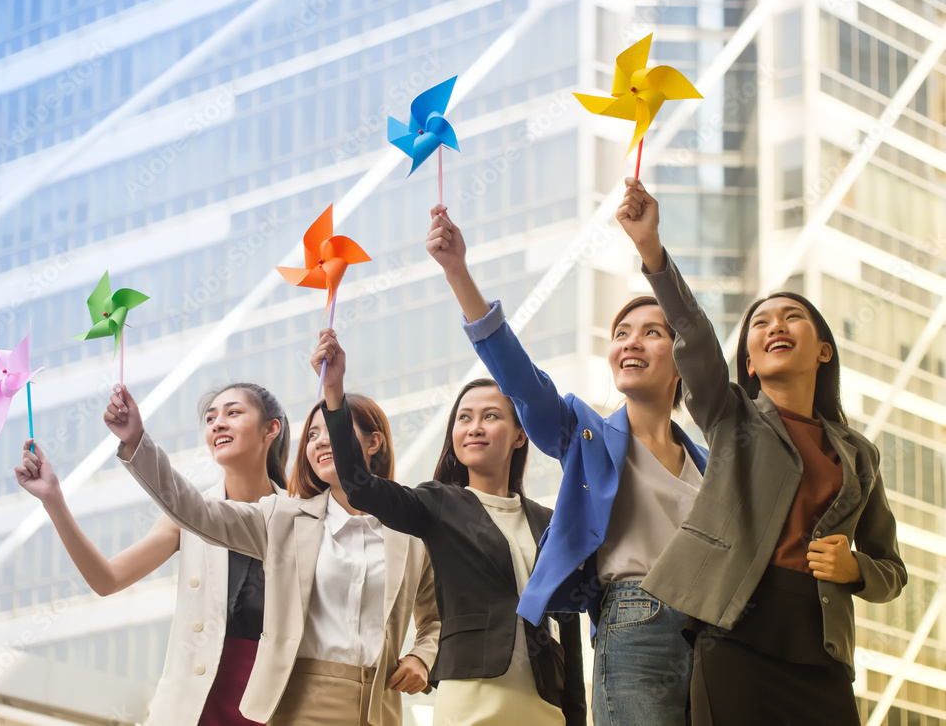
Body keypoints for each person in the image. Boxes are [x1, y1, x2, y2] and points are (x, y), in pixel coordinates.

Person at [617, 176, 907, 726]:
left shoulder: (859, 455)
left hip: (822, 650)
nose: (776, 326)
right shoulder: (731, 416)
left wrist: (855, 568)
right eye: (760, 323)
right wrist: (650, 248)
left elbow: (892, 569)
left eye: (792, 317)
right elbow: (695, 338)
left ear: (823, 350)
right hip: (735, 634)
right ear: (748, 362)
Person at [425, 205, 708, 724]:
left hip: (710, 634)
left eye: (653, 332)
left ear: (681, 355)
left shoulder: (709, 464)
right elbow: (518, 375)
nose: (631, 342)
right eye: (621, 333)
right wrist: (457, 273)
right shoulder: (585, 434)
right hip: (635, 625)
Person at [105, 383, 439, 726]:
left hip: (380, 710)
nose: (321, 441)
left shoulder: (411, 535)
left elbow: (437, 618)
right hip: (300, 705)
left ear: (374, 442)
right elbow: (196, 511)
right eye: (312, 435)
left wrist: (422, 658)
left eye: (334, 431)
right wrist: (136, 442)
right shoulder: (284, 520)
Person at [314, 328, 587, 726]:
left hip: (545, 706)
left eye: (490, 416)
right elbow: (361, 488)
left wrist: (576, 716)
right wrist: (334, 393)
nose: (474, 427)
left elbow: (568, 628)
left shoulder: (549, 522)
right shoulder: (438, 504)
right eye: (464, 418)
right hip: (469, 701)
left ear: (519, 435)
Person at [15, 382, 287, 726]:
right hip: (195, 709)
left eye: (233, 413)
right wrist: (53, 499)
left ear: (270, 429)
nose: (218, 424)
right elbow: (107, 579)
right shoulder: (186, 519)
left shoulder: (300, 520)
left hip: (277, 706)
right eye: (210, 418)